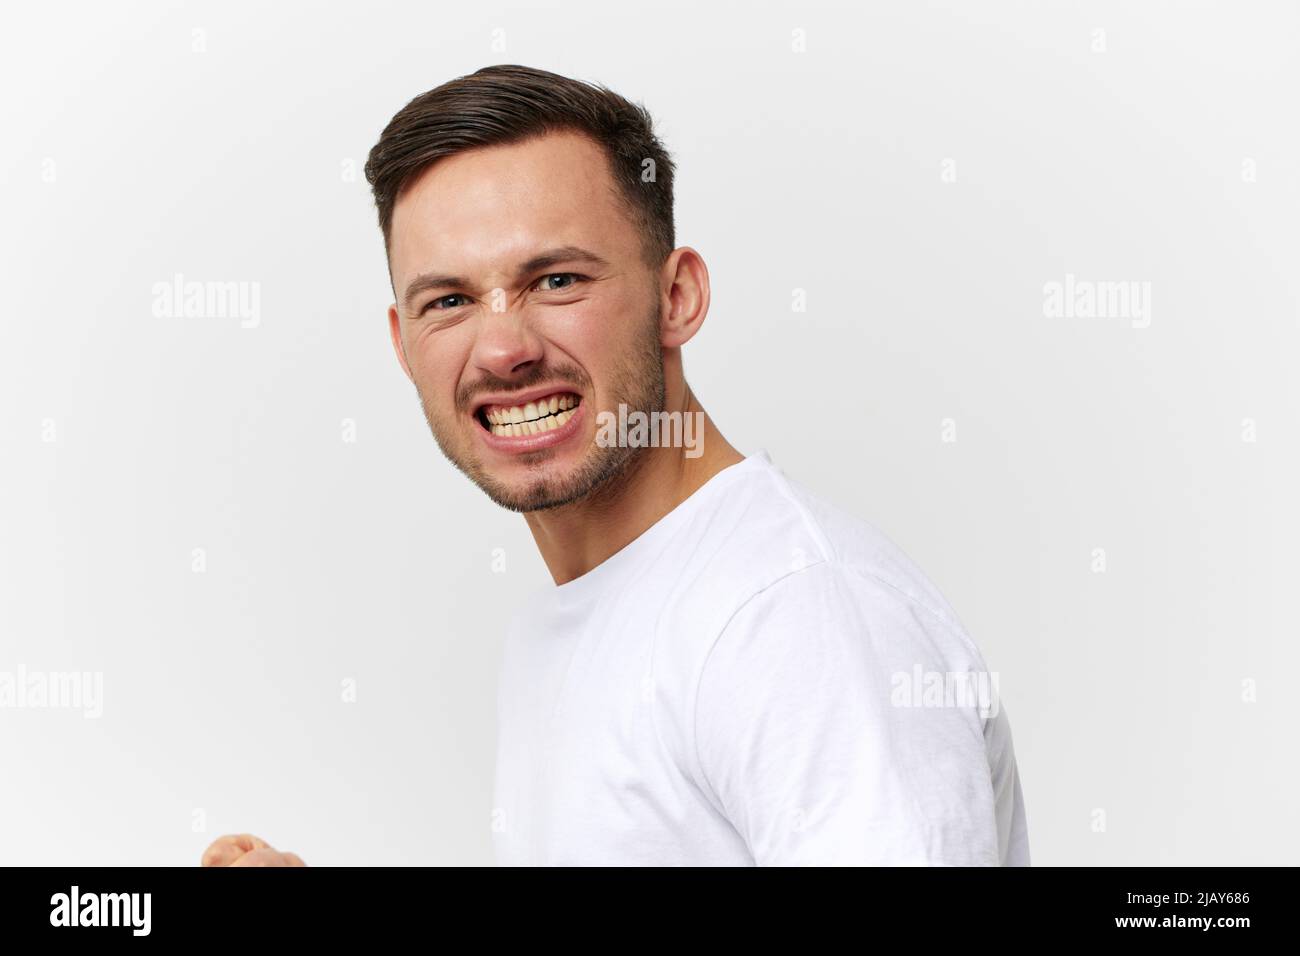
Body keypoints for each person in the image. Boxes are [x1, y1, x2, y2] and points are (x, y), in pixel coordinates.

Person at [201, 64, 1029, 867]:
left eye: (557, 280)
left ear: (678, 297)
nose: (502, 349)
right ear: (402, 344)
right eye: (448, 301)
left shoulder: (790, 618)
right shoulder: (574, 621)